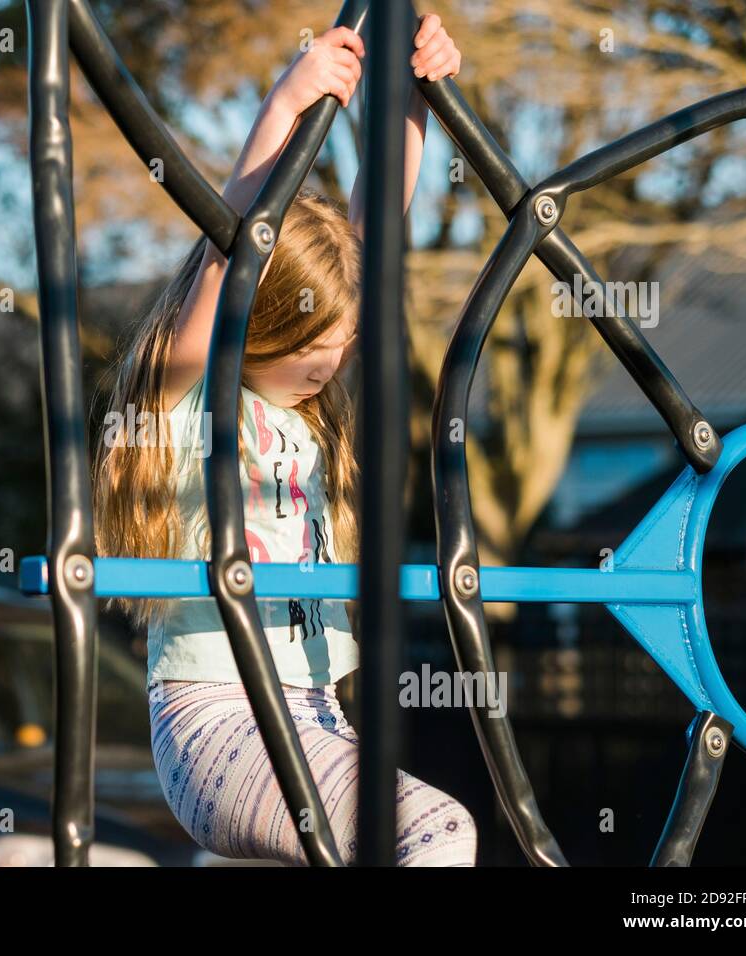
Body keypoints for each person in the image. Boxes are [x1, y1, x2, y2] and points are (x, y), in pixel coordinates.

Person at [92, 15, 476, 866]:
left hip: (313, 710)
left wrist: (410, 99)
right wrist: (287, 105)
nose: (336, 359)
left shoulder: (306, 409)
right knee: (437, 833)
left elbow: (377, 233)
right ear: (259, 329)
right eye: (316, 347)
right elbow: (229, 259)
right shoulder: (189, 400)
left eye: (340, 341)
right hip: (218, 721)